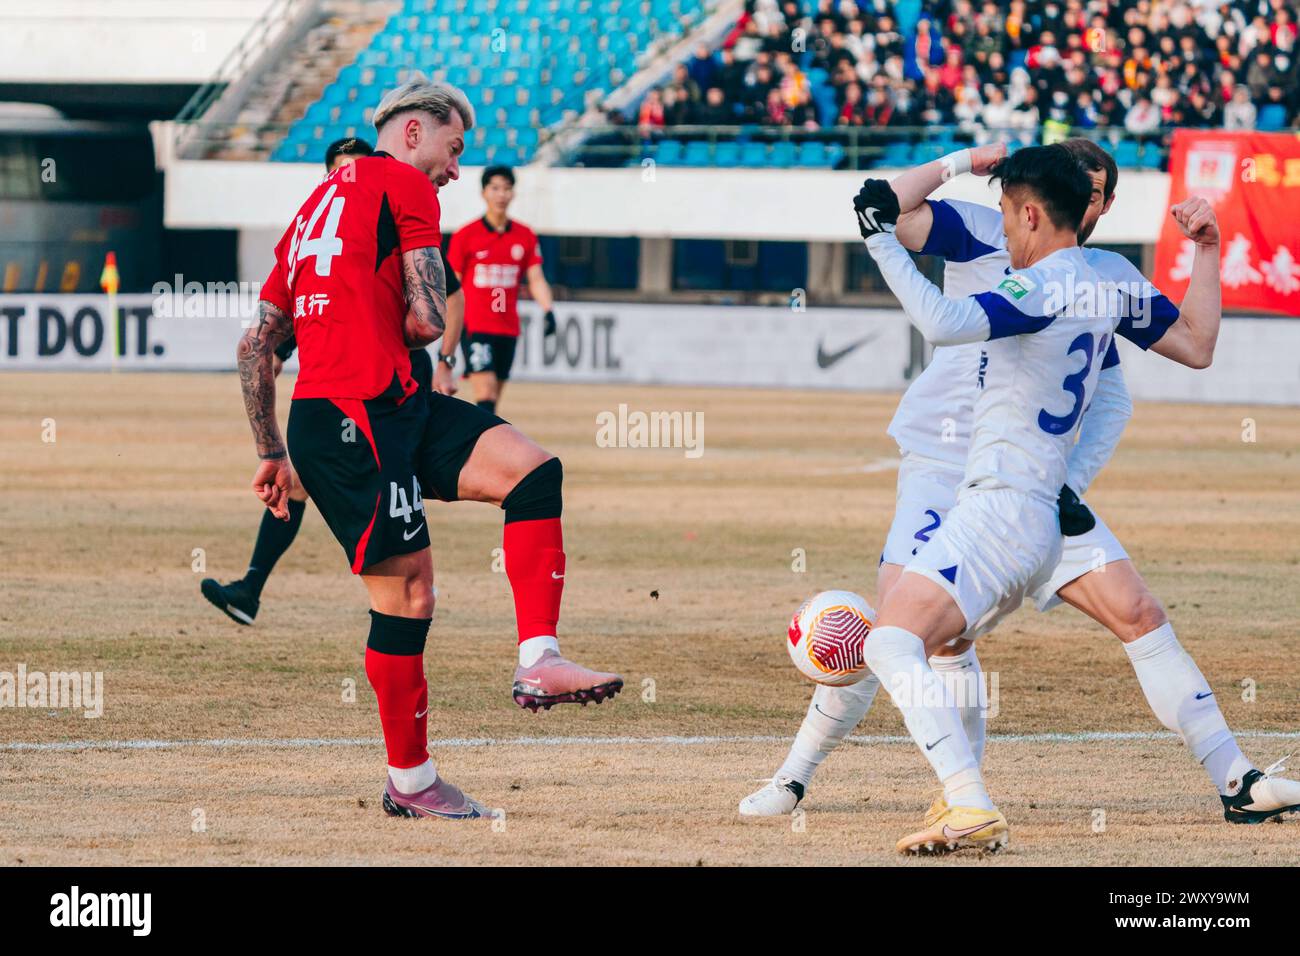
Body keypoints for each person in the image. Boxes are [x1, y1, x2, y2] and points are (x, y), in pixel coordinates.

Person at [743, 140, 1300, 840]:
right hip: (950, 463)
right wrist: (960, 163)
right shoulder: (1038, 252)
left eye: (1099, 193)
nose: (1088, 202)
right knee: (922, 633)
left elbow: (1109, 396)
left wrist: (1074, 480)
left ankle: (1219, 779)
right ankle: (801, 775)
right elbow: (889, 197)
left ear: (1076, 207)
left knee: (1102, 616)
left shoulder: (1080, 277)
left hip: (1017, 485)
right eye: (1083, 188)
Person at [236, 78, 622, 820]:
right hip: (358, 418)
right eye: (454, 149)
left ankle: (539, 660)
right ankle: (411, 784)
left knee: (532, 472)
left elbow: (257, 344)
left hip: (378, 408)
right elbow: (423, 320)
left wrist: (271, 448)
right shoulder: (407, 189)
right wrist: (418, 319)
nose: (455, 170)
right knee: (409, 596)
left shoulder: (311, 208)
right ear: (414, 132)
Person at [200, 136, 463, 625]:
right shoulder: (319, 239)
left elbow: (450, 291)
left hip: (392, 383)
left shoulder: (394, 218)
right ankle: (252, 590)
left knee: (370, 492)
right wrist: (276, 355)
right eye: (338, 169)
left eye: (356, 167)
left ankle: (407, 588)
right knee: (300, 484)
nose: (348, 176)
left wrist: (446, 356)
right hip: (341, 391)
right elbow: (306, 317)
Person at [444, 165, 556, 416]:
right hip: (475, 327)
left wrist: (548, 310)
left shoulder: (524, 236)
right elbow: (453, 283)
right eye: (495, 188)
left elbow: (536, 278)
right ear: (484, 193)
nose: (501, 195)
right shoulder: (466, 235)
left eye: (506, 189)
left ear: (513, 194)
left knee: (493, 401)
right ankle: (483, 450)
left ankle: (483, 446)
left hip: (507, 328)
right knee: (486, 393)